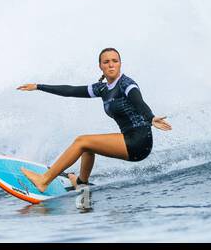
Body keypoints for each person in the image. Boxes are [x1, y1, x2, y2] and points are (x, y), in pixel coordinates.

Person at [16, 47, 170, 192]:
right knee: (87, 146)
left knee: (82, 141)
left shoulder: (126, 84)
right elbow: (70, 90)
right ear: (100, 66)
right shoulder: (102, 89)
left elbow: (138, 101)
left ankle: (44, 181)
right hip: (129, 139)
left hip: (139, 141)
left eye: (115, 61)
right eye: (106, 62)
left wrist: (150, 117)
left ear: (120, 64)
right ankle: (82, 183)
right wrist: (38, 86)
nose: (111, 65)